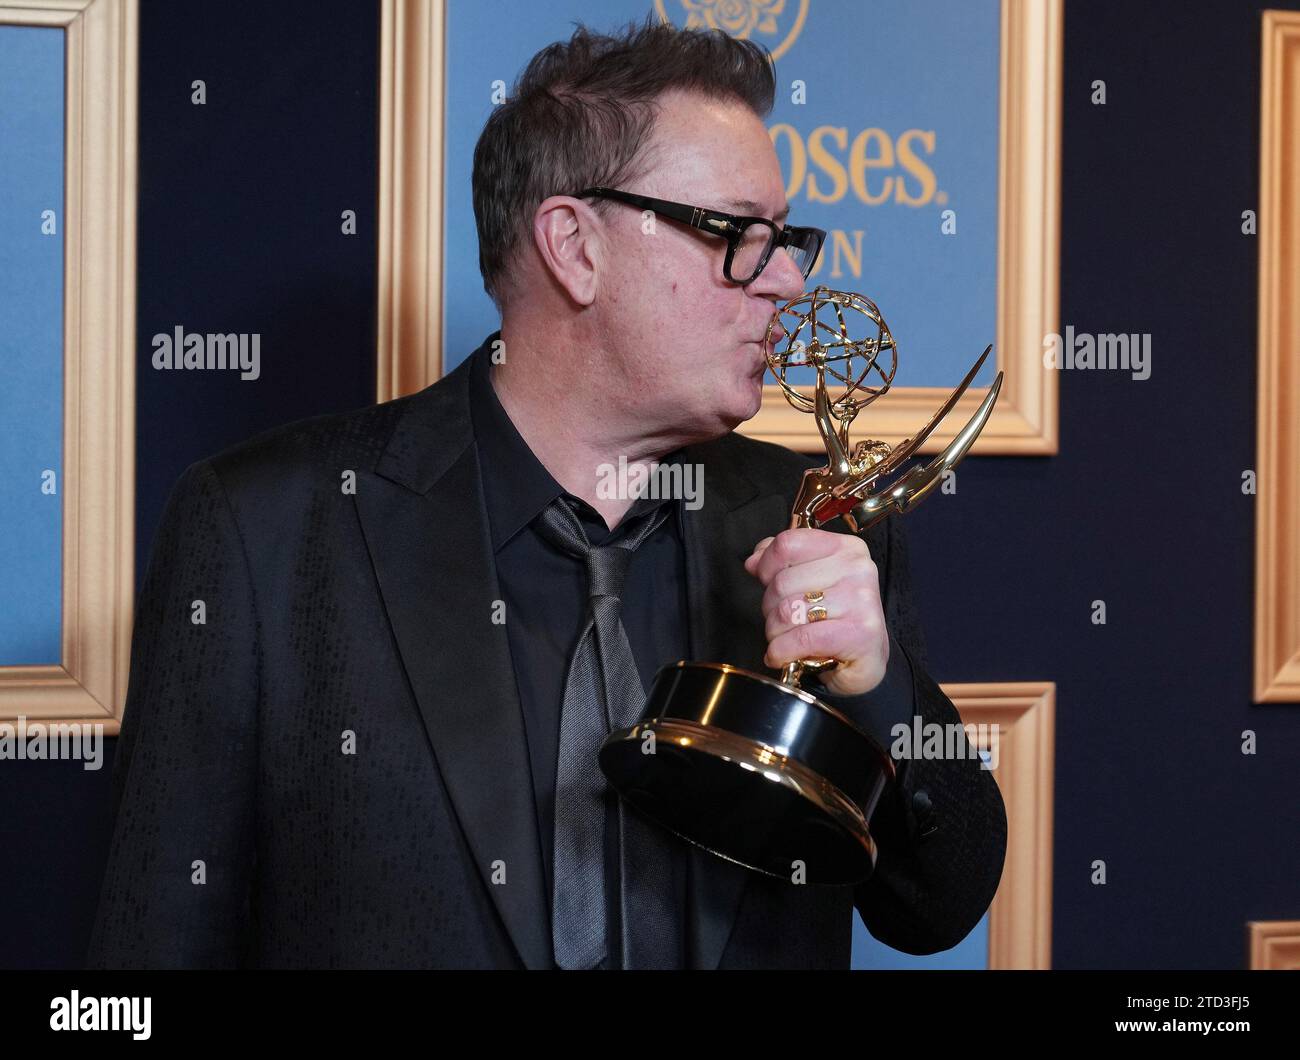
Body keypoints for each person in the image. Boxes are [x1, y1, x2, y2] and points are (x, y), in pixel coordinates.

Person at [86, 19, 1005, 970]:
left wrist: (883, 693)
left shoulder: (812, 523)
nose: (786, 281)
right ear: (574, 246)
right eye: (738, 234)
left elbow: (935, 909)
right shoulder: (266, 530)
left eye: (788, 240)